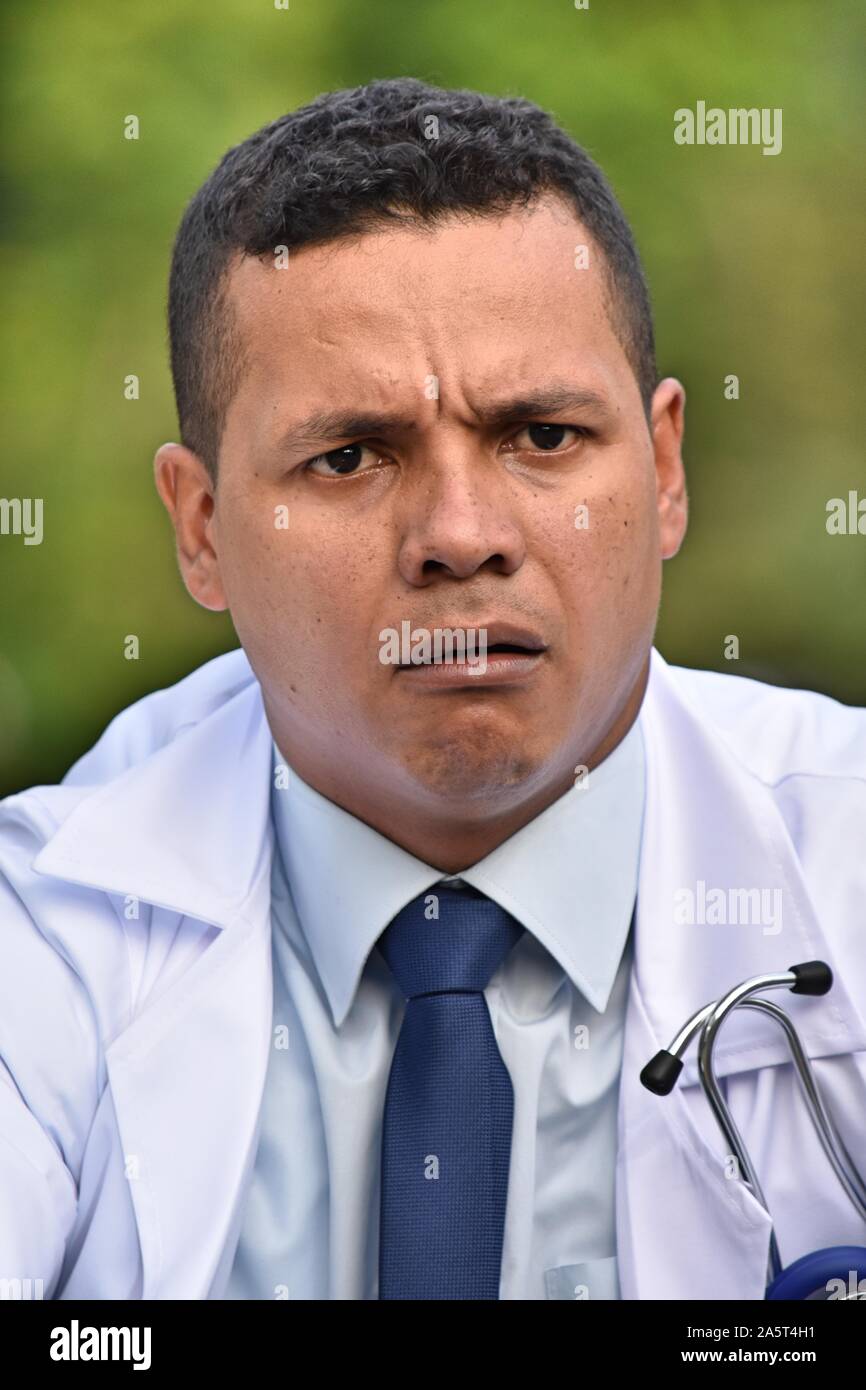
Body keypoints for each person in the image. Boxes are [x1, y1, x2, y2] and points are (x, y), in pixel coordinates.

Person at [1, 77, 865, 1303]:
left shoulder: (846, 860)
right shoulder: (45, 935)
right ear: (200, 529)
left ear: (664, 469)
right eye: (348, 457)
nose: (460, 536)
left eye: (542, 436)